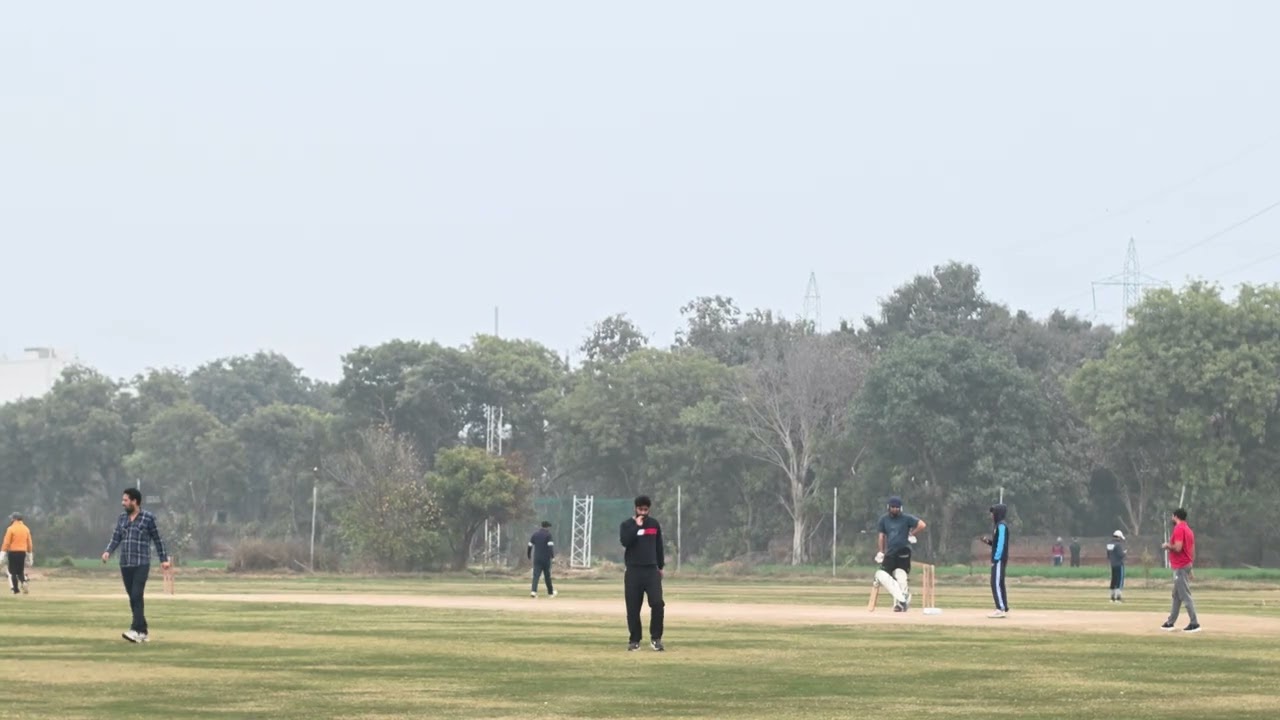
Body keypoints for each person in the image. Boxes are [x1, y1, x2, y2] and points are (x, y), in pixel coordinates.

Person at [101, 488, 171, 643]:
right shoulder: (122, 518)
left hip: (141, 563)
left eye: (126, 500)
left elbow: (158, 539)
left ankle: (136, 630)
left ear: (134, 501)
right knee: (133, 598)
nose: (123, 503)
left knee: (136, 595)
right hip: (125, 563)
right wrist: (108, 551)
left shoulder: (148, 518)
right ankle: (143, 630)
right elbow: (116, 537)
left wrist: (163, 559)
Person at [619, 494, 665, 651]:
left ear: (649, 510)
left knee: (658, 603)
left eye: (646, 510)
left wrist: (661, 566)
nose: (643, 513)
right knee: (633, 608)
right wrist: (637, 526)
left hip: (651, 570)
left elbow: (659, 546)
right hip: (633, 571)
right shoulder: (627, 525)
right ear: (635, 508)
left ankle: (656, 638)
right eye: (640, 509)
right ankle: (634, 640)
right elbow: (625, 541)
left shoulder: (654, 525)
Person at [873, 496, 927, 612]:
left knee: (900, 574)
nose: (895, 509)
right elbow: (881, 536)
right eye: (893, 507)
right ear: (888, 507)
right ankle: (902, 598)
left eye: (897, 507)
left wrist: (911, 534)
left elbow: (922, 524)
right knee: (883, 575)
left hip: (903, 550)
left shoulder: (906, 518)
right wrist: (881, 552)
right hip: (891, 552)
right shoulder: (884, 520)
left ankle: (901, 603)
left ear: (900, 508)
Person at [1160, 508, 1199, 633]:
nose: (1171, 518)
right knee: (1176, 596)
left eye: (1172, 516)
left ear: (1176, 516)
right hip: (1185, 565)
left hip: (1180, 566)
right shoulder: (1189, 530)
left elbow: (1178, 548)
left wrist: (1167, 546)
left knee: (1185, 595)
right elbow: (1192, 551)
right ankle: (1170, 622)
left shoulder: (1179, 529)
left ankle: (1194, 623)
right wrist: (1190, 566)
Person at [980, 503, 1010, 618]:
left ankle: (1000, 608)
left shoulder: (1001, 526)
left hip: (999, 559)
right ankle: (1003, 606)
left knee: (995, 583)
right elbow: (996, 543)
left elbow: (1001, 544)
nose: (992, 515)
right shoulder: (998, 526)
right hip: (1000, 558)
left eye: (993, 512)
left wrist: (996, 559)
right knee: (1000, 582)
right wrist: (988, 541)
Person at [2, 512, 33, 595]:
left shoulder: (11, 529)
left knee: (12, 572)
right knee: (20, 571)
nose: (11, 519)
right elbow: (29, 543)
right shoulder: (26, 529)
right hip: (22, 552)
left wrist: (2, 553)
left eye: (12, 518)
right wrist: (30, 554)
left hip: (13, 552)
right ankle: (24, 582)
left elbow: (6, 542)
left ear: (15, 519)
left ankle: (16, 589)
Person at [528, 520, 556, 598]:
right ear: (547, 527)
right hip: (546, 558)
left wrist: (529, 555)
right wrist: (552, 557)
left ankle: (533, 591)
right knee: (547, 576)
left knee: (536, 575)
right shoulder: (548, 535)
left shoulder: (535, 534)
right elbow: (550, 547)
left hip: (537, 558)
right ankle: (550, 593)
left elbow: (530, 545)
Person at [1106, 530, 1127, 602]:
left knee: (1113, 580)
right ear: (1119, 537)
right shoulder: (1118, 545)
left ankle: (1112, 597)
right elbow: (1120, 555)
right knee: (1119, 581)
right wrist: (1124, 553)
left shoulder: (1109, 544)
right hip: (1119, 564)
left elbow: (1108, 555)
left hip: (1112, 564)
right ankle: (1118, 597)